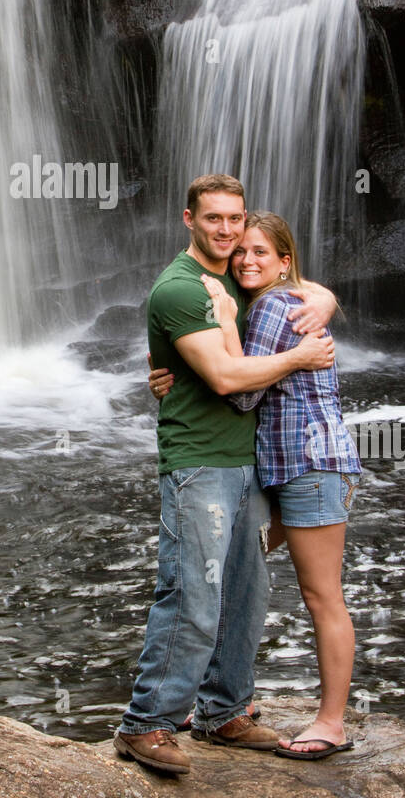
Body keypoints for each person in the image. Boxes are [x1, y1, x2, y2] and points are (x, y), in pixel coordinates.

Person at [113, 174, 337, 776]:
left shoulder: (229, 281)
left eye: (235, 219)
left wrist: (324, 298)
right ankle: (147, 723)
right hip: (201, 463)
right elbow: (224, 378)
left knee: (246, 592)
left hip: (249, 463)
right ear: (189, 220)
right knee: (192, 594)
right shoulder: (181, 288)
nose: (227, 230)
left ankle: (224, 710)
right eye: (214, 218)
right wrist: (299, 356)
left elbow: (290, 284)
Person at [150, 210, 361, 761]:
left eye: (260, 252)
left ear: (284, 261)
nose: (245, 259)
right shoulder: (279, 298)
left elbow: (241, 394)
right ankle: (222, 706)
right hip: (289, 467)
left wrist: (222, 321)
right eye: (240, 250)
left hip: (307, 467)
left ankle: (331, 722)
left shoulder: (269, 306)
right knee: (239, 579)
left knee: (321, 596)